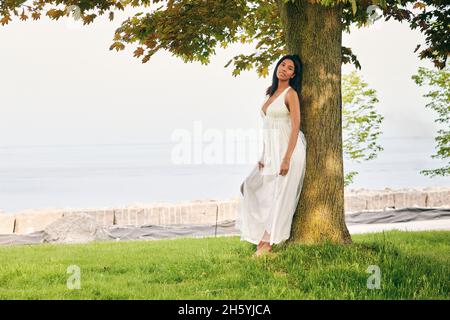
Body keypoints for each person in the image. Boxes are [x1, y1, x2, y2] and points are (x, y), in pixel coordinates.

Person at [236, 54, 307, 257]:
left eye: (290, 68)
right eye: (282, 64)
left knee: (279, 195)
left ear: (294, 75)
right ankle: (261, 235)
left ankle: (266, 243)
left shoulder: (291, 94)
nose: (284, 69)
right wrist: (263, 155)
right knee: (249, 185)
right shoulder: (270, 94)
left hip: (289, 151)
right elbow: (268, 129)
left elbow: (295, 127)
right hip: (271, 152)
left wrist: (286, 158)